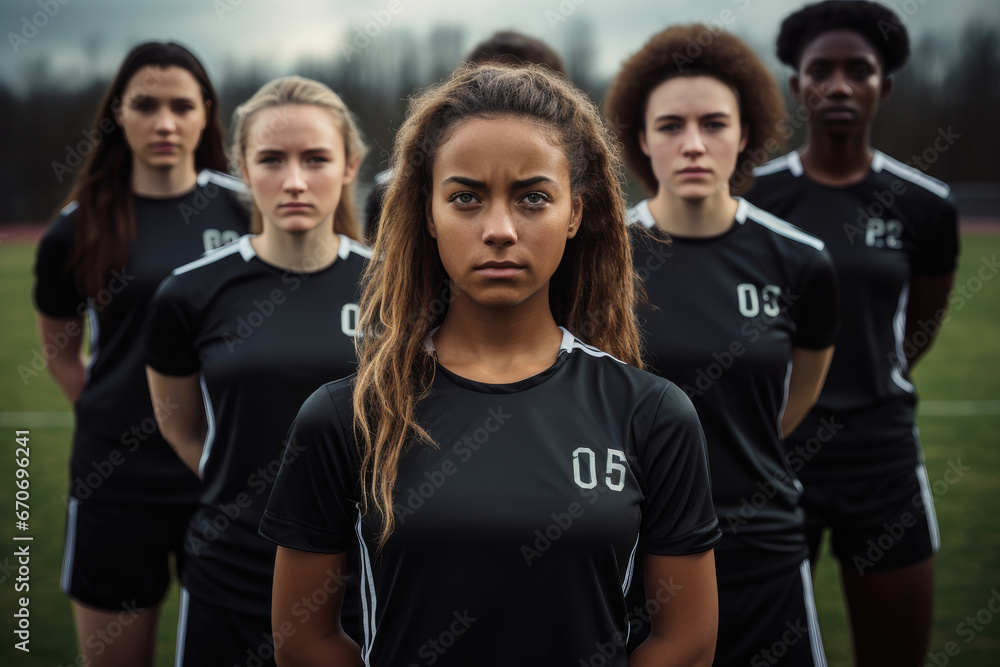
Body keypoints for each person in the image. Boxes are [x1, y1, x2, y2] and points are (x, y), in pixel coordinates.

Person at [259, 63, 722, 666]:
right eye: (465, 198)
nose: (500, 230)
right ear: (428, 214)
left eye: (533, 197)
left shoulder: (653, 413)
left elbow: (686, 642)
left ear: (575, 213)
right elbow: (304, 639)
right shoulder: (347, 416)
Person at [605, 25, 840, 666]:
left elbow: (796, 398)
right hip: (633, 549)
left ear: (746, 133)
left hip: (761, 545)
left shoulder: (800, 261)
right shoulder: (599, 261)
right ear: (641, 137)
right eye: (670, 125)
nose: (693, 144)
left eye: (714, 123)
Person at [745, 3, 959, 665]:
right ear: (796, 86)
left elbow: (915, 328)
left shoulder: (924, 204)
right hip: (774, 455)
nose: (838, 84)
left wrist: (866, 373)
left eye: (858, 70)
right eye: (820, 71)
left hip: (882, 457)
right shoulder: (754, 199)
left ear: (883, 87)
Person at [31, 41, 247, 666]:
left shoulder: (243, 209)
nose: (164, 123)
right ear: (117, 114)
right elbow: (61, 352)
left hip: (225, 473)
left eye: (182, 106)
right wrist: (115, 418)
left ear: (206, 113)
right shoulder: (79, 226)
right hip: (118, 483)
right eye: (145, 105)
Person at [144, 75, 369, 666]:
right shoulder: (188, 293)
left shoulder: (394, 288)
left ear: (350, 165)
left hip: (359, 583)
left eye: (316, 158)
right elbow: (182, 429)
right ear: (242, 167)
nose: (294, 180)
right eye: (271, 159)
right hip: (231, 574)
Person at [363, 31, 566, 243]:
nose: (500, 101)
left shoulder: (588, 198)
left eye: (533, 198)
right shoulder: (391, 195)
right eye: (481, 86)